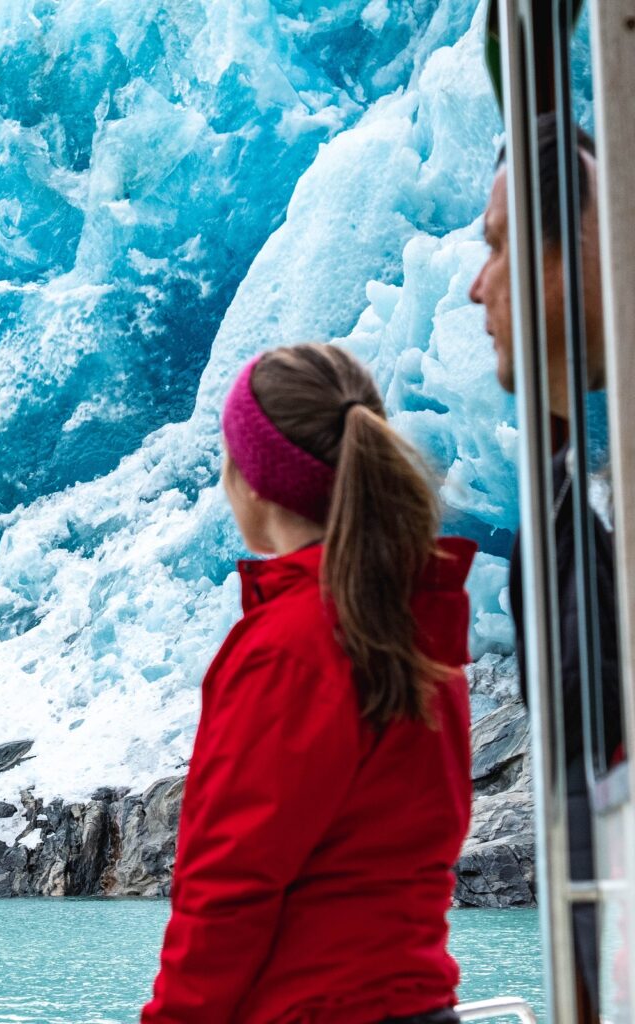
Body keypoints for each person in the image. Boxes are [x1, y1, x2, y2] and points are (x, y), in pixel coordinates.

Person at [142, 344, 476, 1024]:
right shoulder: (416, 626)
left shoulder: (290, 648)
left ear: (254, 480)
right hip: (417, 1004)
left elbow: (230, 883)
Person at [467, 113, 623, 1022]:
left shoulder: (587, 518)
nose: (476, 284)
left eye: (497, 247)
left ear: (580, 246)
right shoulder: (560, 515)